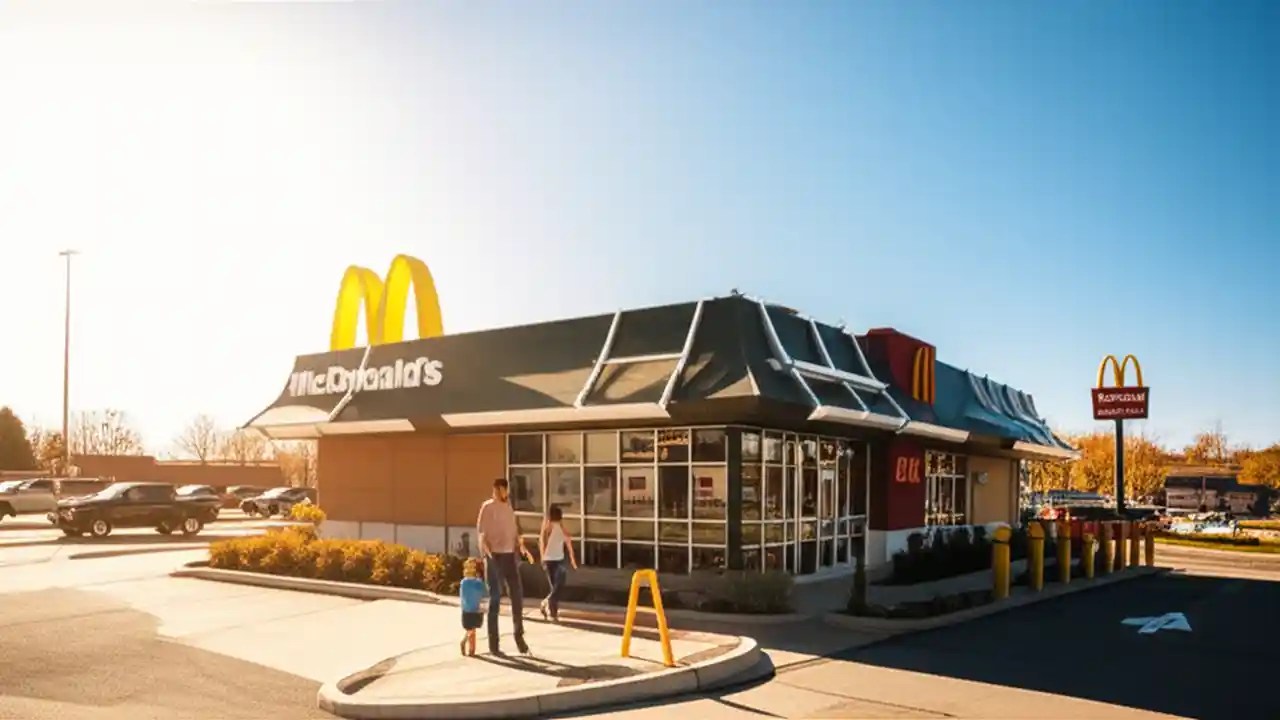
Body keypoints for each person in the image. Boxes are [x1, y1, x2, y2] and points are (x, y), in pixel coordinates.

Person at [476, 477, 534, 655]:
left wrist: (522, 548)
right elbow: (481, 534)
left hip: (510, 556)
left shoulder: (509, 508)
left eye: (507, 490)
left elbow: (515, 532)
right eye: (504, 489)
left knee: (517, 595)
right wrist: (487, 553)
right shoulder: (487, 507)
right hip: (494, 558)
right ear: (497, 489)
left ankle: (519, 636)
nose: (506, 493)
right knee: (495, 599)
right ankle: (494, 644)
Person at [538, 505, 578, 622]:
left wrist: (572, 559)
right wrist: (543, 558)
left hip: (558, 560)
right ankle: (553, 613)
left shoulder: (560, 528)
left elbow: (568, 542)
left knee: (557, 586)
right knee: (554, 587)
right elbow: (542, 543)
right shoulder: (547, 529)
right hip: (550, 561)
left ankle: (545, 603)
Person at [458, 558, 485, 656]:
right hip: (473, 609)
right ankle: (470, 649)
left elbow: (463, 596)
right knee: (472, 630)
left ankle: (471, 649)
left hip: (468, 609)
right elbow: (483, 593)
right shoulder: (476, 582)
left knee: (471, 630)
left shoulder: (464, 582)